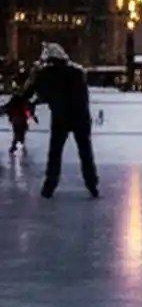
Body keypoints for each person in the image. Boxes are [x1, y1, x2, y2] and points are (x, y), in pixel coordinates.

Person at [19, 43, 97, 199]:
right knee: (85, 152)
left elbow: (28, 94)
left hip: (60, 118)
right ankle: (92, 184)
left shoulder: (45, 74)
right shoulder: (76, 73)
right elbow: (83, 97)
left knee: (55, 153)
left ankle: (49, 186)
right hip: (80, 117)